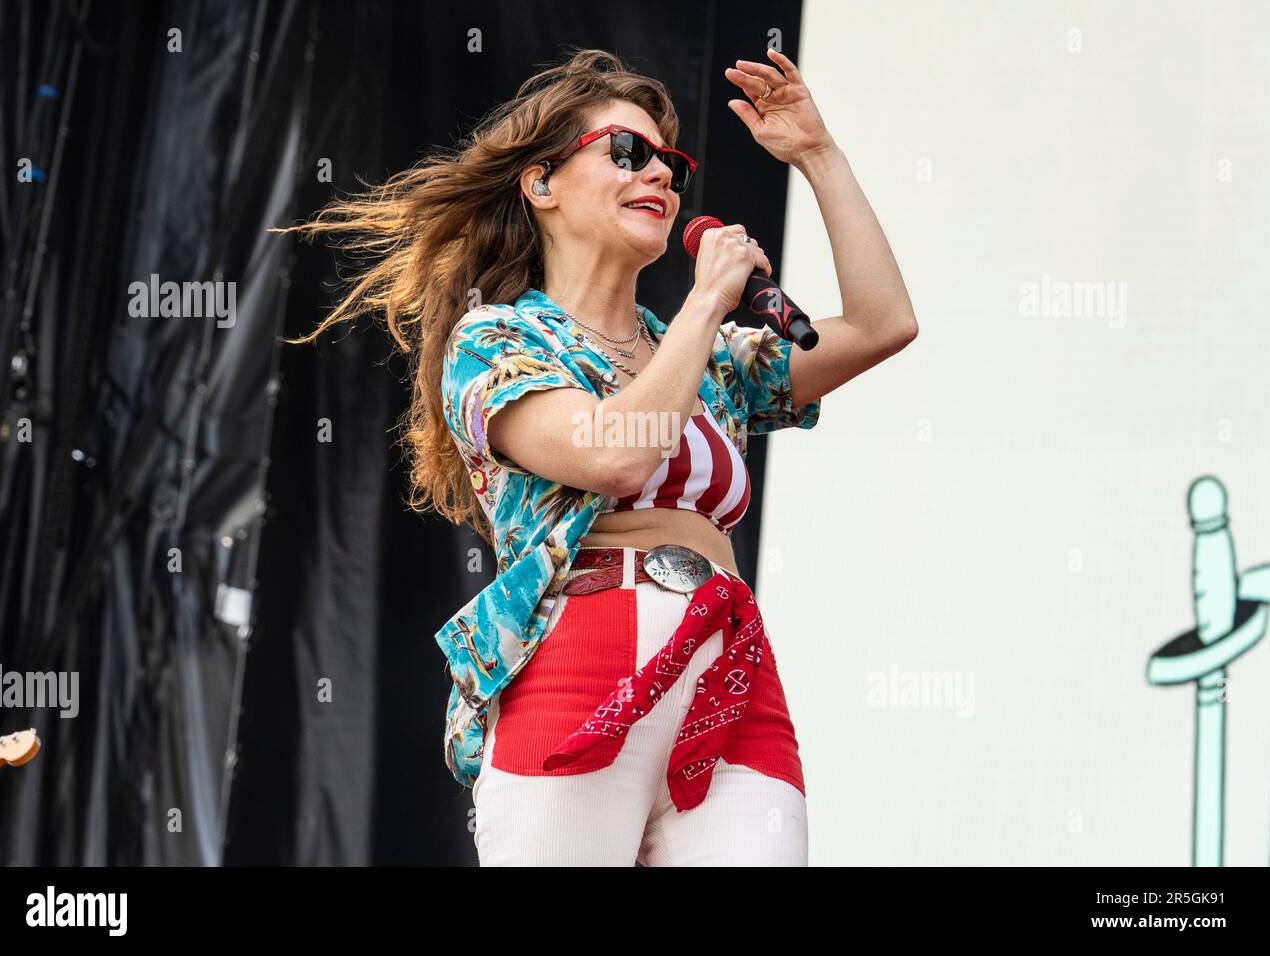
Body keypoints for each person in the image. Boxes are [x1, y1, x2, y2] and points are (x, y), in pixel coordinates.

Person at [280, 47, 917, 865]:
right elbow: (618, 457)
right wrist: (706, 300)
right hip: (580, 663)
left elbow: (882, 323)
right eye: (626, 152)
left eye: (671, 162)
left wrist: (818, 155)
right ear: (540, 184)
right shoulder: (498, 340)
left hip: (727, 666)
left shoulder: (709, 358)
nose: (660, 174)